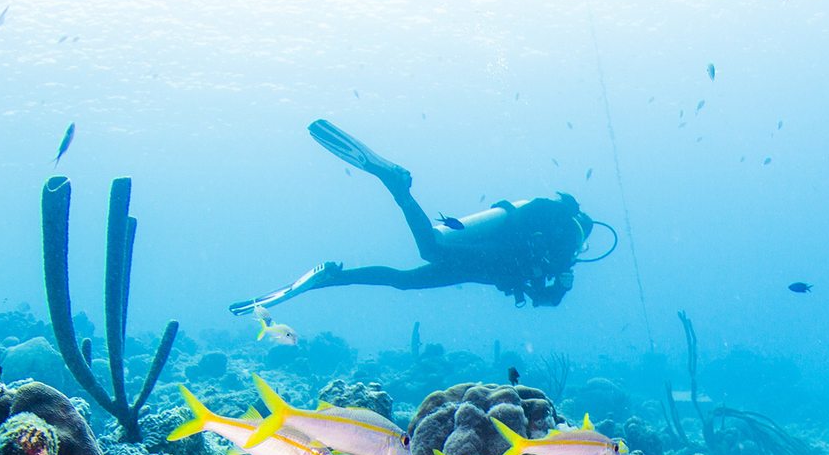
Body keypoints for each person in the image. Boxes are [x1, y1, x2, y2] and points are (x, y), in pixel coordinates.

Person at [229, 121, 606, 315]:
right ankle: (398, 187)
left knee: (406, 280)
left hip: (483, 262)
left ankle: (330, 278)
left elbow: (538, 289)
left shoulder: (553, 228)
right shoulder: (566, 247)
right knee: (427, 254)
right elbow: (544, 297)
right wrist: (563, 283)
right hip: (492, 260)